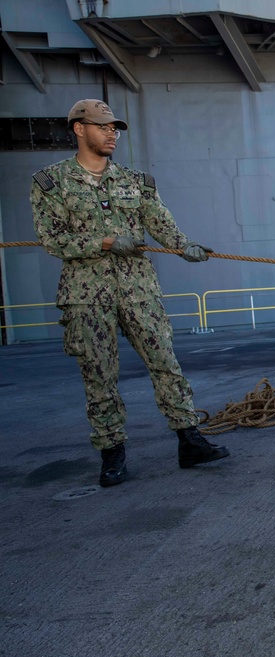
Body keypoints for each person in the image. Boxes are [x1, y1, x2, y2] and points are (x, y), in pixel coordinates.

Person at [30, 99, 229, 488]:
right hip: (86, 296)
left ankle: (189, 440)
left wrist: (183, 246)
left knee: (166, 364)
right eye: (102, 126)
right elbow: (52, 239)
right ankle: (112, 454)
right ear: (79, 129)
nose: (111, 134)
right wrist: (103, 241)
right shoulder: (50, 183)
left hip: (139, 290)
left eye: (114, 128)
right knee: (99, 375)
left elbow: (160, 222)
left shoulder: (135, 182)